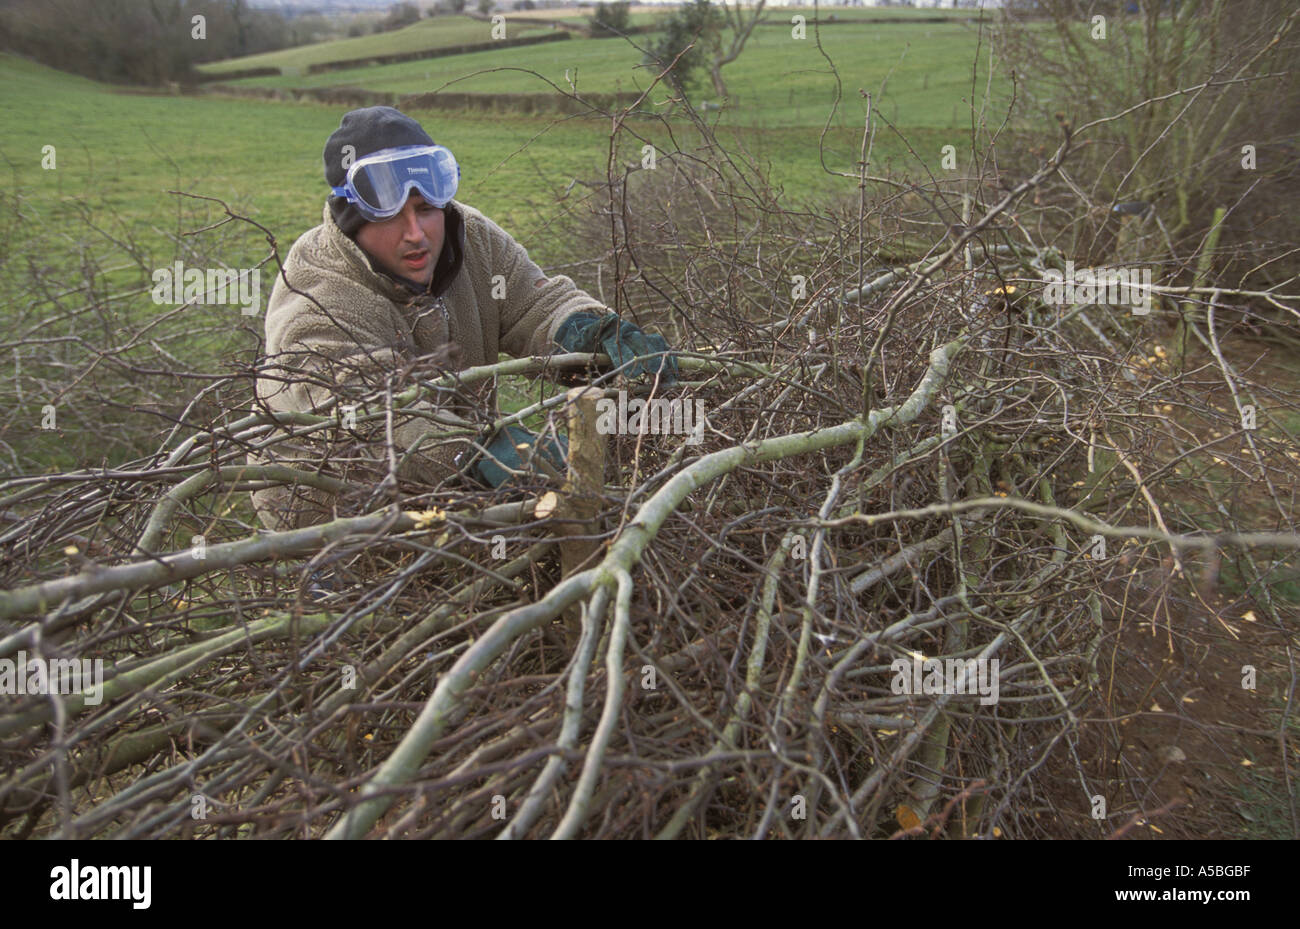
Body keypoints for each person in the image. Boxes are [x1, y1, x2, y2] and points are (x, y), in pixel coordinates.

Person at [249, 106, 675, 531]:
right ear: (351, 222)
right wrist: (486, 454)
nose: (415, 233)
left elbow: (533, 302)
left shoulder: (469, 236)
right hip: (333, 514)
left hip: (451, 484)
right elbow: (374, 415)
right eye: (393, 216)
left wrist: (590, 331)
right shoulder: (316, 294)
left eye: (425, 209)